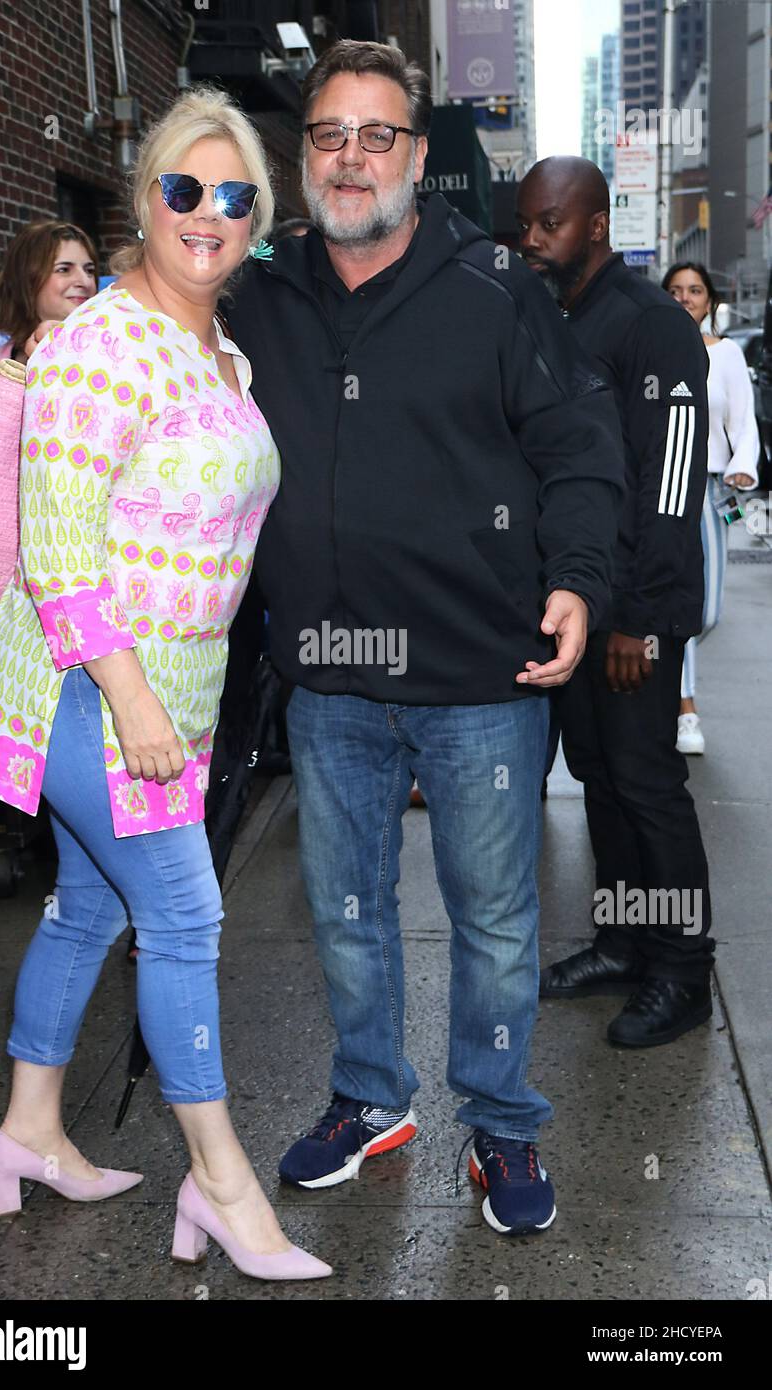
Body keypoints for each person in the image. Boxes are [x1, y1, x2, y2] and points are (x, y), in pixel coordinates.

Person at [228, 40, 625, 1237]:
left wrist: (580, 580)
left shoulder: (497, 288)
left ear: (417, 154)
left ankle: (499, 1121)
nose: (352, 160)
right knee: (346, 911)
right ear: (307, 158)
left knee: (496, 921)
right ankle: (370, 1100)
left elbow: (580, 446)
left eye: (378, 135)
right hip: (328, 685)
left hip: (478, 679)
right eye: (330, 136)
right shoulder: (255, 294)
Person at [0, 88, 330, 1283]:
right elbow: (58, 546)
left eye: (235, 197)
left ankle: (26, 1128)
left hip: (169, 690)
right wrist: (129, 699)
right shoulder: (100, 343)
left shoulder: (219, 348)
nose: (208, 214)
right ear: (144, 199)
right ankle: (222, 1185)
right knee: (183, 914)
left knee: (91, 907)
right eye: (185, 190)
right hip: (92, 685)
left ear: (257, 216)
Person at [517, 156, 716, 1047]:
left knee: (647, 786)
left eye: (547, 222)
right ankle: (623, 941)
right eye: (525, 223)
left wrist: (639, 618)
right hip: (580, 604)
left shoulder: (650, 324)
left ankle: (681, 970)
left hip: (634, 613)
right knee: (598, 779)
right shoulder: (552, 316)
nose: (531, 237)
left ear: (594, 224)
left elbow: (670, 484)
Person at [0, 220, 98, 630]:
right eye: (64, 269)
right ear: (28, 280)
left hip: (94, 574)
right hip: (9, 585)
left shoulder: (113, 366)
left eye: (89, 269)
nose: (83, 281)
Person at [662, 262, 760, 754]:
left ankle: (670, 683)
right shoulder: (652, 350)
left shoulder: (728, 356)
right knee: (682, 602)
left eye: (694, 290)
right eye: (675, 290)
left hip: (712, 494)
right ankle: (685, 709)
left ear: (709, 300)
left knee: (708, 610)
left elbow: (745, 424)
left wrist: (744, 468)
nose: (685, 298)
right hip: (661, 491)